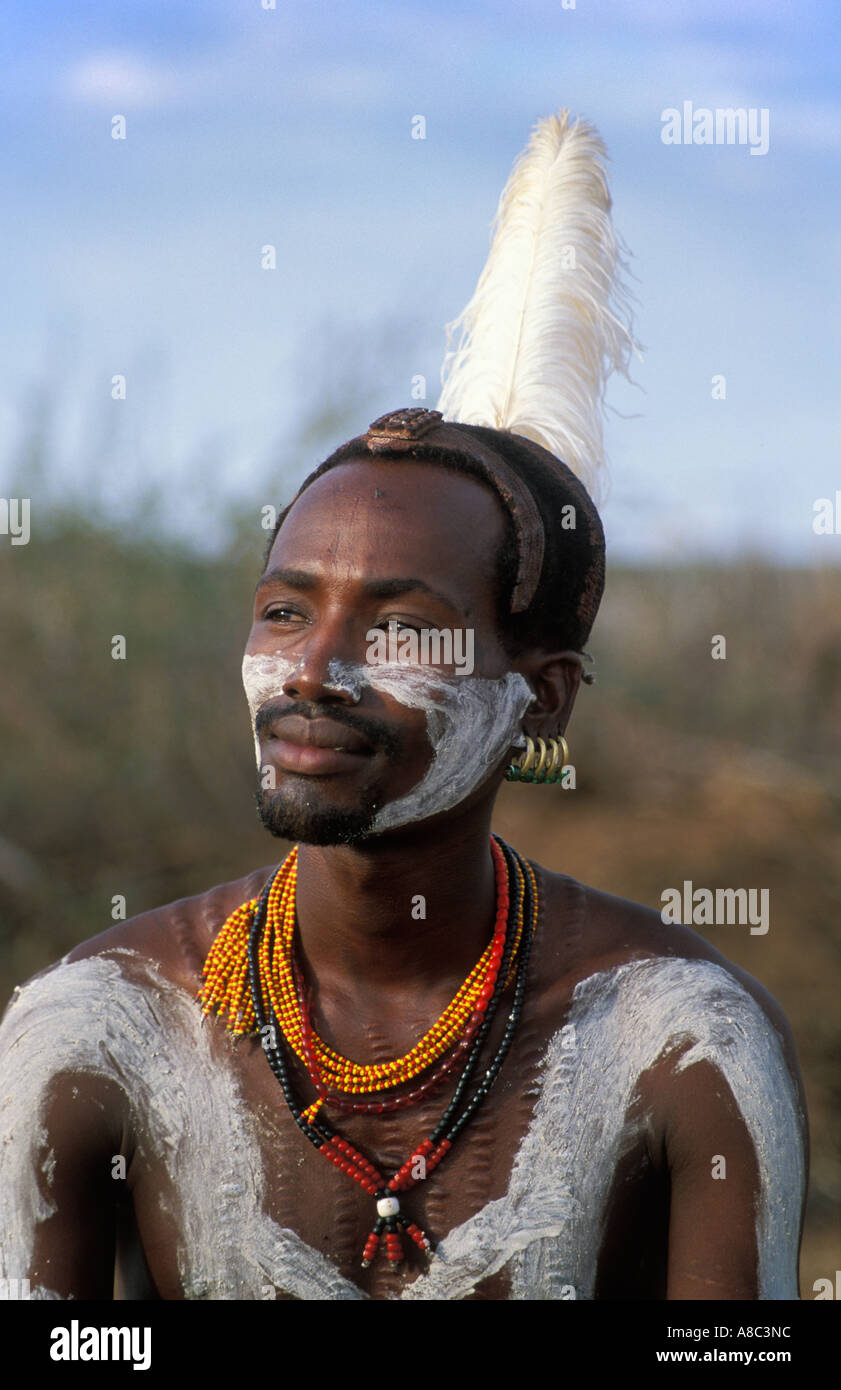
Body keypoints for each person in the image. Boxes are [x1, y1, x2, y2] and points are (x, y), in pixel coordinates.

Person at [0, 113, 807, 1302]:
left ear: (540, 701)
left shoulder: (681, 1043)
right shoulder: (100, 1027)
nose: (312, 670)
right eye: (284, 612)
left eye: (396, 626)